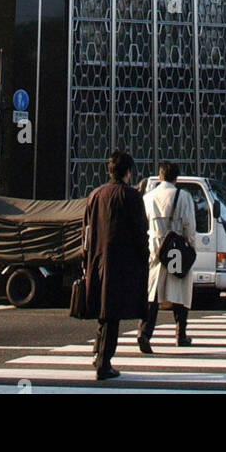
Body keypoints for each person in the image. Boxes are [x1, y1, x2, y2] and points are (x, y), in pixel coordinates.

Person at [82, 149, 149, 381]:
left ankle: (98, 354)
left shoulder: (95, 195)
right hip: (121, 263)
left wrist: (85, 260)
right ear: (128, 172)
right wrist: (144, 256)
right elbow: (141, 232)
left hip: (97, 260)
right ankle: (104, 362)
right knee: (112, 313)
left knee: (104, 311)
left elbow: (86, 232)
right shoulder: (131, 196)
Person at [137, 161, 197, 355]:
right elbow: (190, 225)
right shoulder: (183, 196)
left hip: (156, 247)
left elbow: (142, 224)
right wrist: (191, 246)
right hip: (177, 247)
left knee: (152, 293)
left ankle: (145, 332)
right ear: (176, 178)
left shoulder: (148, 197)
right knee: (180, 286)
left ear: (160, 176)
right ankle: (181, 335)